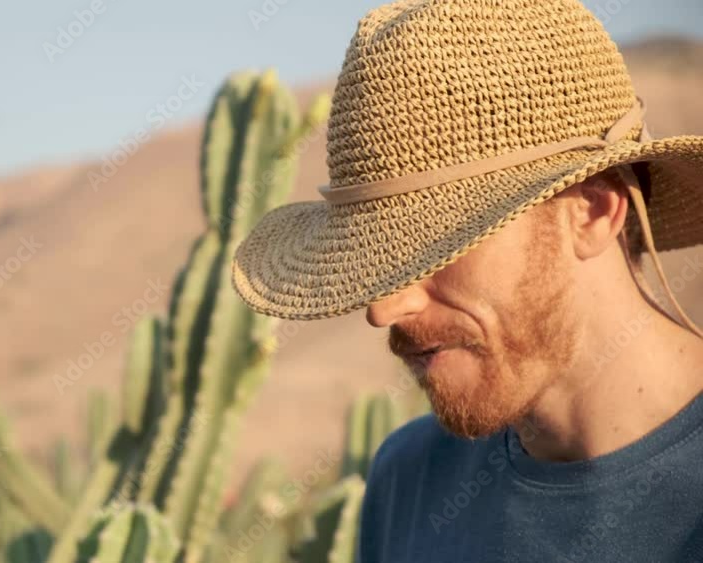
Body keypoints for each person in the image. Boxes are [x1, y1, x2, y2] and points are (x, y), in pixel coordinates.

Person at [230, 0, 703, 561]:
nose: (382, 310)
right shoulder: (407, 481)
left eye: (439, 245)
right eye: (378, 258)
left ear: (594, 212)